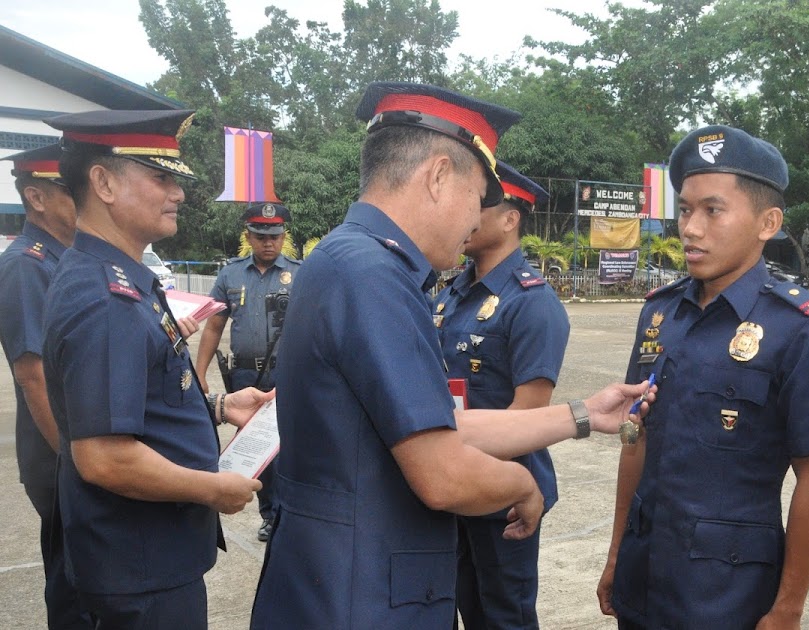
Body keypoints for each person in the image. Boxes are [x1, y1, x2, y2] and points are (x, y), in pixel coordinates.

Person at [250, 83, 653, 629]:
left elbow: (439, 426)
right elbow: (442, 473)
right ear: (438, 176)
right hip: (362, 595)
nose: (473, 220)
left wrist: (583, 414)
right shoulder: (375, 276)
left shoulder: (346, 257)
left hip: (338, 581)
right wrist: (523, 485)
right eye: (476, 197)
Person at [598, 125, 809, 629]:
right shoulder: (660, 313)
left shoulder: (802, 329)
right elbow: (635, 436)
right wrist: (615, 555)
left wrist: (788, 608)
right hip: (643, 578)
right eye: (685, 210)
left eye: (713, 211)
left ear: (768, 223)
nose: (690, 229)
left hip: (728, 596)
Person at [40, 109, 273, 628]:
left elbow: (140, 397)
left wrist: (218, 405)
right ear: (103, 183)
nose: (179, 194)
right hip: (139, 566)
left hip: (145, 555)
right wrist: (212, 488)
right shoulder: (106, 298)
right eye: (160, 178)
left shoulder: (119, 279)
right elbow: (104, 457)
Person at [434, 161, 569, 629]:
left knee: (503, 617)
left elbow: (527, 416)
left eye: (479, 205)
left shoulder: (531, 303)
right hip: (452, 481)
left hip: (502, 495)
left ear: (511, 218)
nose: (466, 214)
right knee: (456, 606)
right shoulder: (449, 295)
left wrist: (459, 469)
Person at [0, 144, 91, 629]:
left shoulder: (66, 257)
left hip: (77, 449)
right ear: (35, 197)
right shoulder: (27, 265)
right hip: (58, 456)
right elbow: (31, 373)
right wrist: (74, 462)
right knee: (74, 582)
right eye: (70, 188)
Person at [195, 201, 301, 542]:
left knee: (292, 447)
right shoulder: (230, 275)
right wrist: (199, 373)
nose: (268, 243)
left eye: (274, 236)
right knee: (259, 450)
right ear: (249, 237)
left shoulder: (300, 273)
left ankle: (290, 514)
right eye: (261, 236)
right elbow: (213, 326)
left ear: (283, 236)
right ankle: (270, 514)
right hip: (246, 378)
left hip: (287, 376)